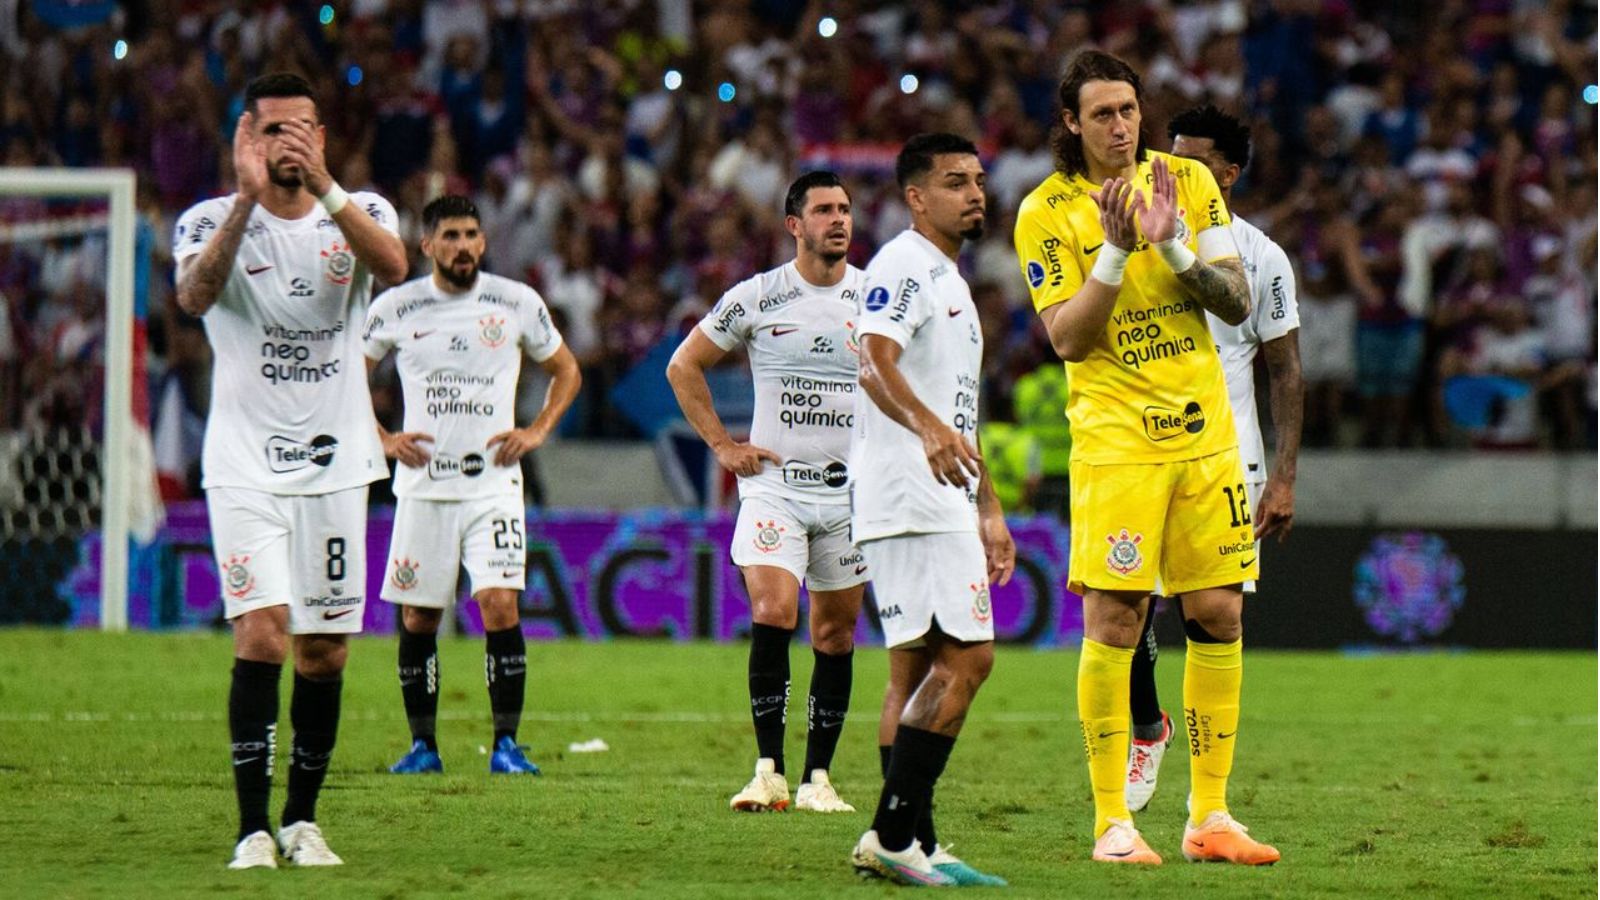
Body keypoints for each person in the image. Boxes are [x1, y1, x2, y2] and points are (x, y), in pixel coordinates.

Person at [1013, 50, 1279, 866]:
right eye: (1103, 114)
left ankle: (1210, 817)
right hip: (1118, 444)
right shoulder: (1046, 211)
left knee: (1219, 614)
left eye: (1129, 109)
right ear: (1071, 123)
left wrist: (1172, 249)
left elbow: (1236, 302)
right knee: (1118, 620)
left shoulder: (1187, 185)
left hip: (1205, 438)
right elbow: (1066, 337)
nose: (1122, 126)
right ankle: (1113, 825)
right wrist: (1117, 253)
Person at [172, 72, 409, 870]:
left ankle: (303, 821)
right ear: (247, 137)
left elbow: (396, 266)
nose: (290, 144)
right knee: (264, 634)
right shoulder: (208, 221)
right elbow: (194, 297)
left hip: (339, 466)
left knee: (325, 653)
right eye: (274, 131)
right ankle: (250, 830)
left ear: (323, 136)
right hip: (243, 467)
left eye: (302, 129)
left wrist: (326, 186)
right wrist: (244, 202)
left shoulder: (362, 210)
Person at [665, 171, 867, 814]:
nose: (839, 220)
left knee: (835, 637)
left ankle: (819, 781)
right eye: (824, 211)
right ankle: (768, 772)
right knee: (775, 610)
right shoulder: (758, 296)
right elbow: (683, 365)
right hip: (773, 489)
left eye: (845, 210)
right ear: (794, 226)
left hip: (848, 495)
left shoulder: (875, 297)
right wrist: (724, 446)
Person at [1121, 104, 1304, 812]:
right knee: (1130, 605)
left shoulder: (1260, 257)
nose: (1166, 173)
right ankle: (1146, 726)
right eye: (1163, 159)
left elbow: (1286, 369)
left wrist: (1283, 475)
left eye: (1188, 163)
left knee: (1212, 617)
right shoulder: (1132, 239)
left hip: (1227, 459)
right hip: (1142, 446)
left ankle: (1209, 797)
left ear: (1226, 175)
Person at [363, 195, 581, 777]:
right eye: (451, 236)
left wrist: (536, 432)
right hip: (423, 486)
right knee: (419, 619)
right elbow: (347, 375)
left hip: (492, 486)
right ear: (427, 244)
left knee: (500, 605)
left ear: (483, 242)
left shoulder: (514, 303)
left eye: (471, 235)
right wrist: (382, 438)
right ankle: (423, 748)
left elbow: (567, 370)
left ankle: (506, 745)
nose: (463, 246)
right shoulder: (397, 307)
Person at [848, 133, 1014, 887]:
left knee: (912, 670)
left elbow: (958, 407)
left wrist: (990, 505)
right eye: (955, 182)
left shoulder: (948, 276)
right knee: (970, 657)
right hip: (912, 492)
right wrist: (926, 431)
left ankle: (916, 840)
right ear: (917, 198)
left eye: (977, 180)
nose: (975, 192)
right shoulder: (903, 264)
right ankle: (890, 834)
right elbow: (872, 355)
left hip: (936, 492)